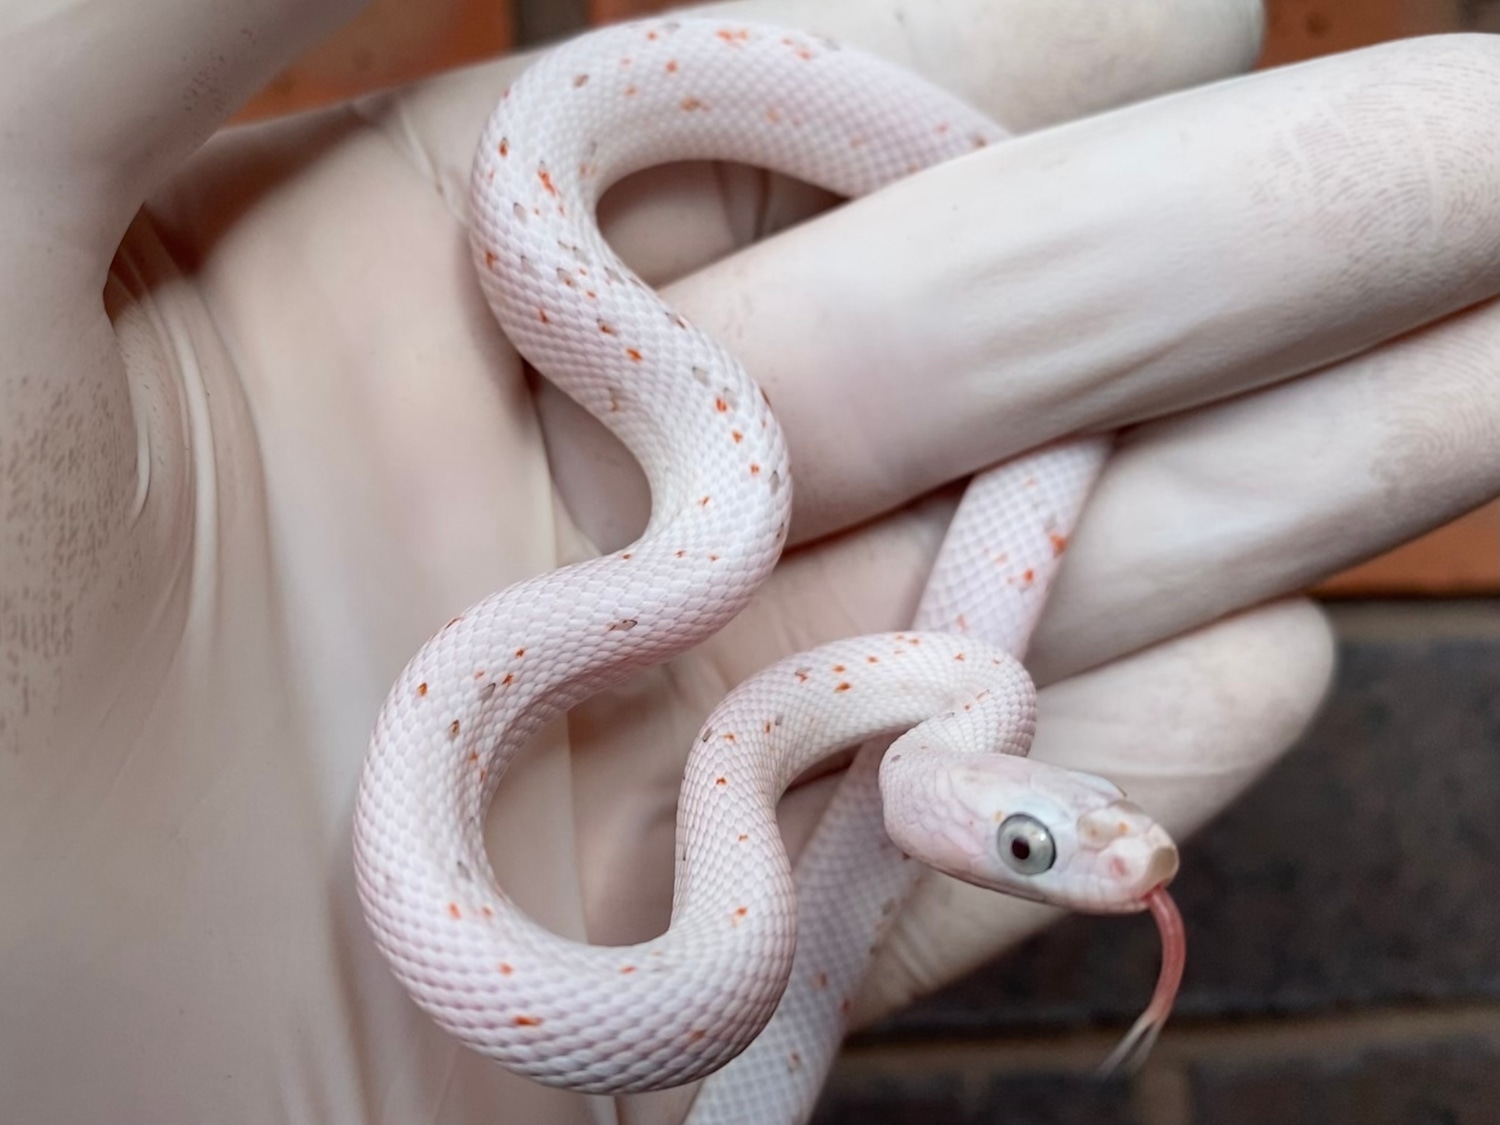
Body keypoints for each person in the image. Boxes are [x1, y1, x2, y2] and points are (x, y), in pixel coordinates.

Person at [2, 1, 1495, 1121]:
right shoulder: (911, 694)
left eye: (1035, 844)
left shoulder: (929, 708)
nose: (1092, 855)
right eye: (1034, 844)